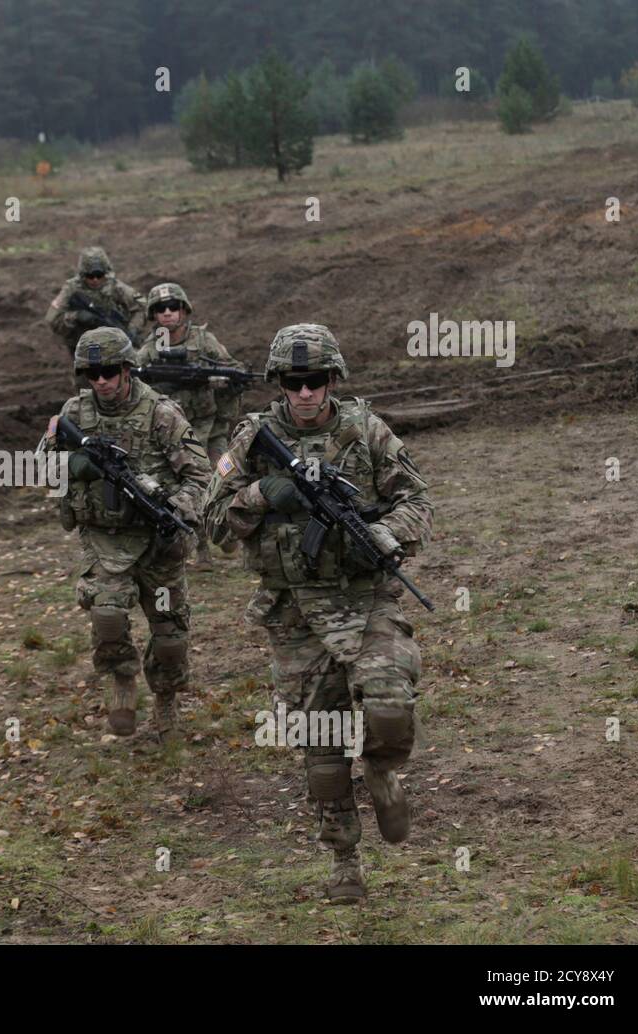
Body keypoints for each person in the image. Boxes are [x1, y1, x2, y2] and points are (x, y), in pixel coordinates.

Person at [203, 324, 433, 903]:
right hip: (293, 613)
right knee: (321, 748)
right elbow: (209, 525)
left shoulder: (364, 431)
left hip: (365, 599)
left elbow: (418, 501)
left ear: (334, 379)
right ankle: (345, 864)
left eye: (316, 381)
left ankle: (381, 771)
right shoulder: (253, 439)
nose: (306, 393)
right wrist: (261, 494)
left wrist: (381, 532)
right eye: (293, 382)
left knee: (389, 701)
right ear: (279, 384)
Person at [39, 327, 211, 743]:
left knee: (170, 637)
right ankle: (121, 678)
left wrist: (175, 508)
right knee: (108, 615)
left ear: (127, 368)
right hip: (105, 539)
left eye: (110, 371)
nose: (101, 380)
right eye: (92, 373)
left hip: (158, 539)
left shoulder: (160, 414)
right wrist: (74, 467)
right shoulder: (74, 415)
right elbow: (43, 467)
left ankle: (167, 700)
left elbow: (201, 475)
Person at [134, 281, 249, 563]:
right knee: (187, 489)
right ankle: (200, 549)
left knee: (225, 478)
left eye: (174, 307)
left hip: (212, 430)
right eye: (161, 309)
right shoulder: (149, 352)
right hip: (175, 438)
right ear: (153, 315)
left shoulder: (203, 341)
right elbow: (135, 386)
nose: (168, 313)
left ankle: (227, 532)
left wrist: (222, 381)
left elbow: (234, 370)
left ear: (184, 310)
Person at [44, 246, 145, 360]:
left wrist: (133, 329)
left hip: (115, 344)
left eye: (99, 275)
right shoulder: (71, 289)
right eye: (90, 276)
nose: (95, 280)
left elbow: (141, 307)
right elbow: (52, 319)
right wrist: (76, 316)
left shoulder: (115, 287)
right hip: (85, 350)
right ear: (82, 274)